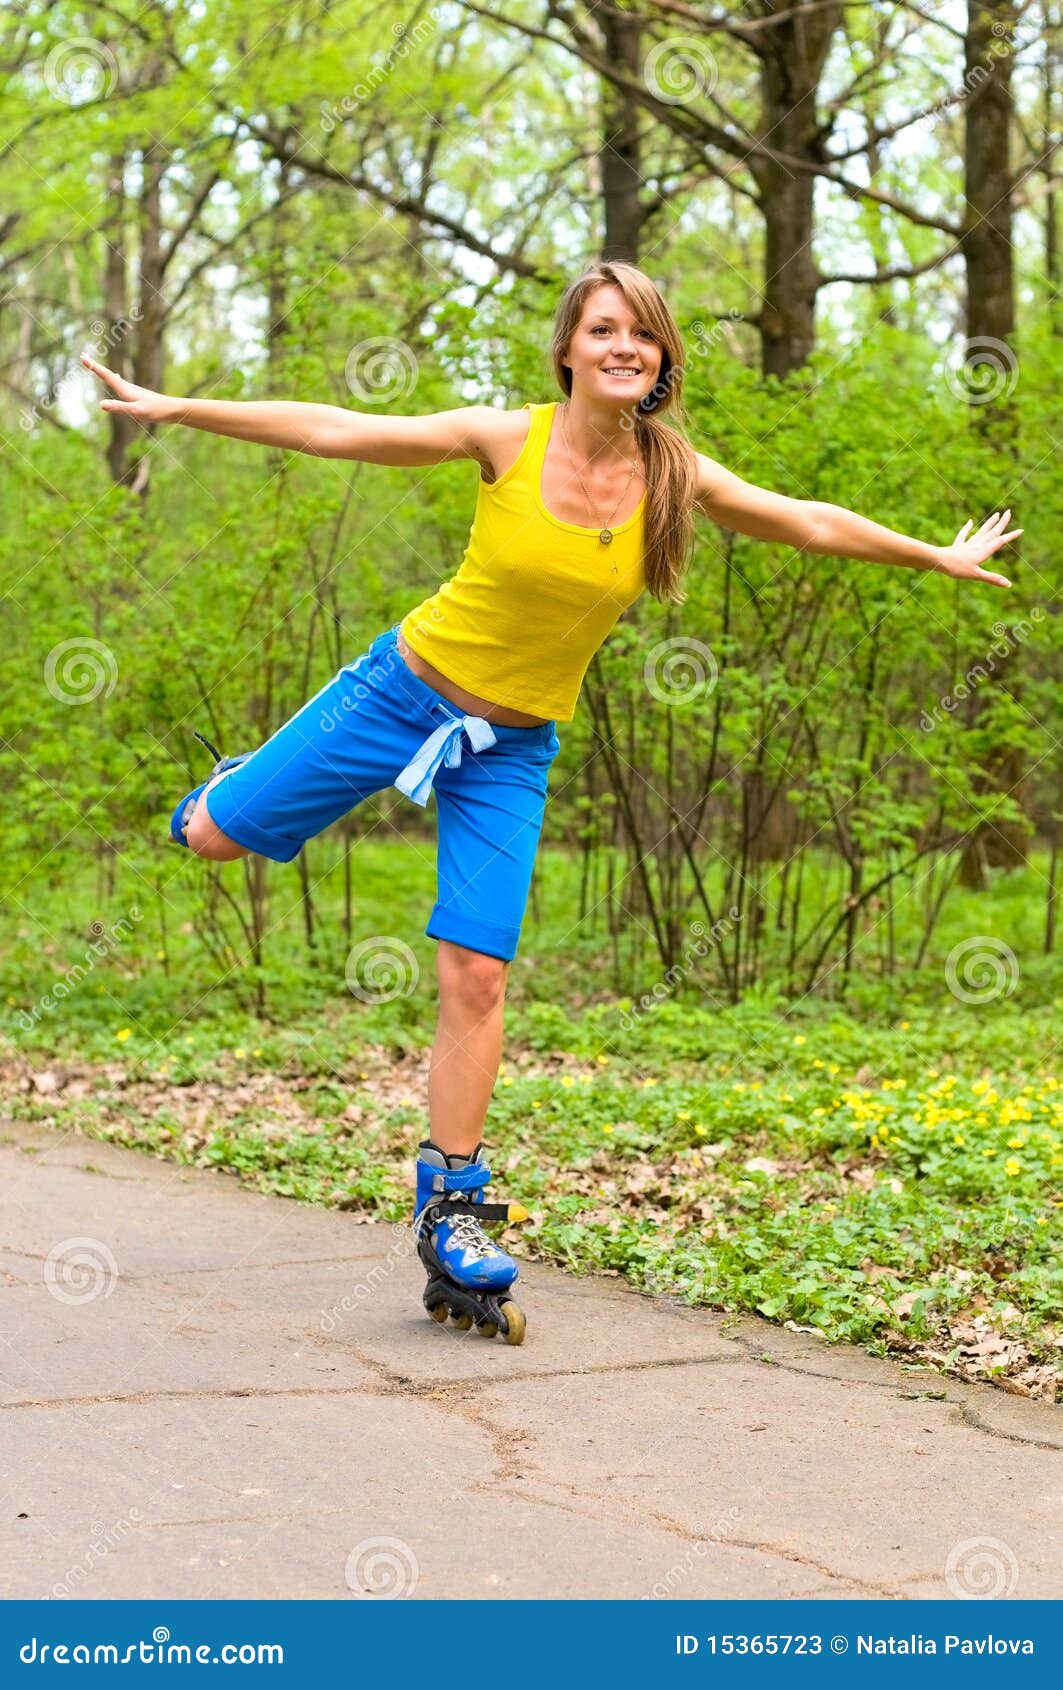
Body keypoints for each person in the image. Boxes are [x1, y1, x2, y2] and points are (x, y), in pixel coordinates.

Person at [81, 259, 1021, 1344]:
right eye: (607, 330)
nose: (627, 347)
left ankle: (453, 1201)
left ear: (662, 360)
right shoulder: (505, 438)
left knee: (476, 971)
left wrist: (932, 558)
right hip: (398, 693)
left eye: (646, 335)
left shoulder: (674, 472)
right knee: (208, 839)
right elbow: (339, 428)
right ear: (570, 349)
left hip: (510, 748)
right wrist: (176, 407)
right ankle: (235, 782)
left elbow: (802, 520)